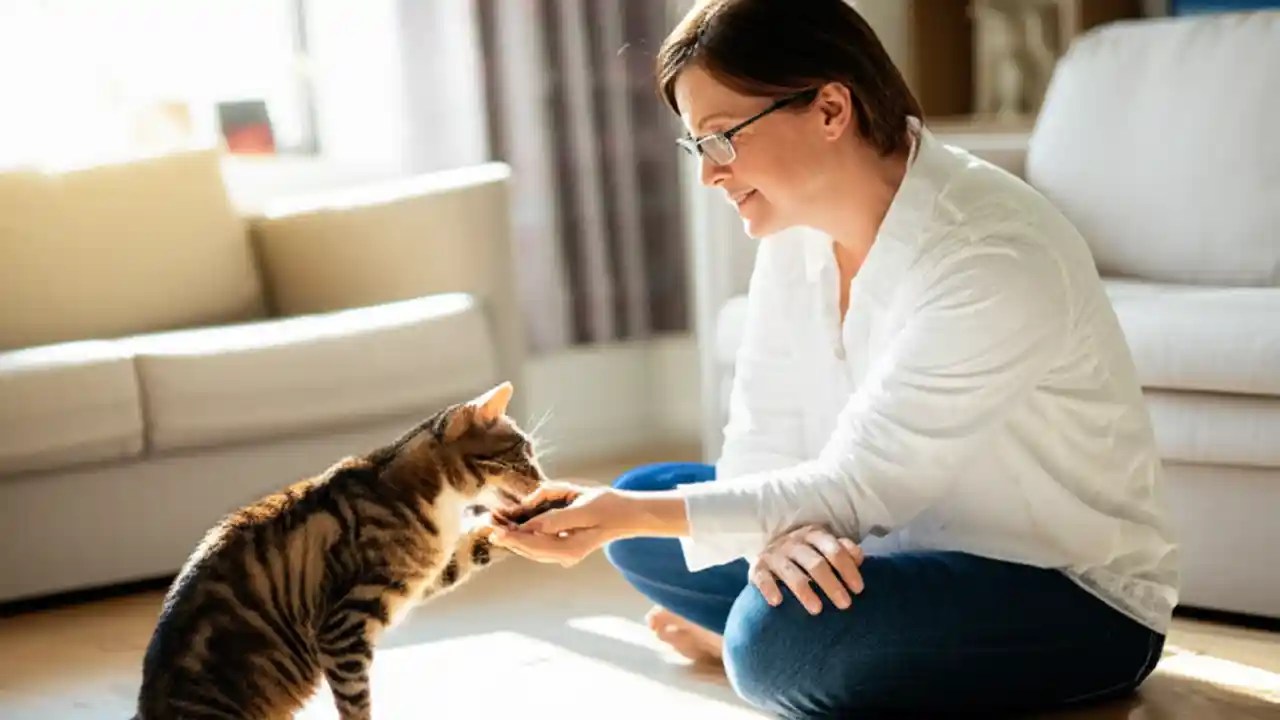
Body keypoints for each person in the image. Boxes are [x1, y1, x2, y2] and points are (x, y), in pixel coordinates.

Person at [490, 0, 1179, 716]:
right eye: (697, 147)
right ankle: (796, 631)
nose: (709, 176)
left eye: (722, 139)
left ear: (828, 109)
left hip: (1061, 591)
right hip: (881, 549)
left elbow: (860, 485)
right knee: (648, 507)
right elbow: (762, 439)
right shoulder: (794, 230)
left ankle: (748, 641)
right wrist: (765, 547)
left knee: (767, 643)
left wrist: (632, 514)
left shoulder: (991, 254)